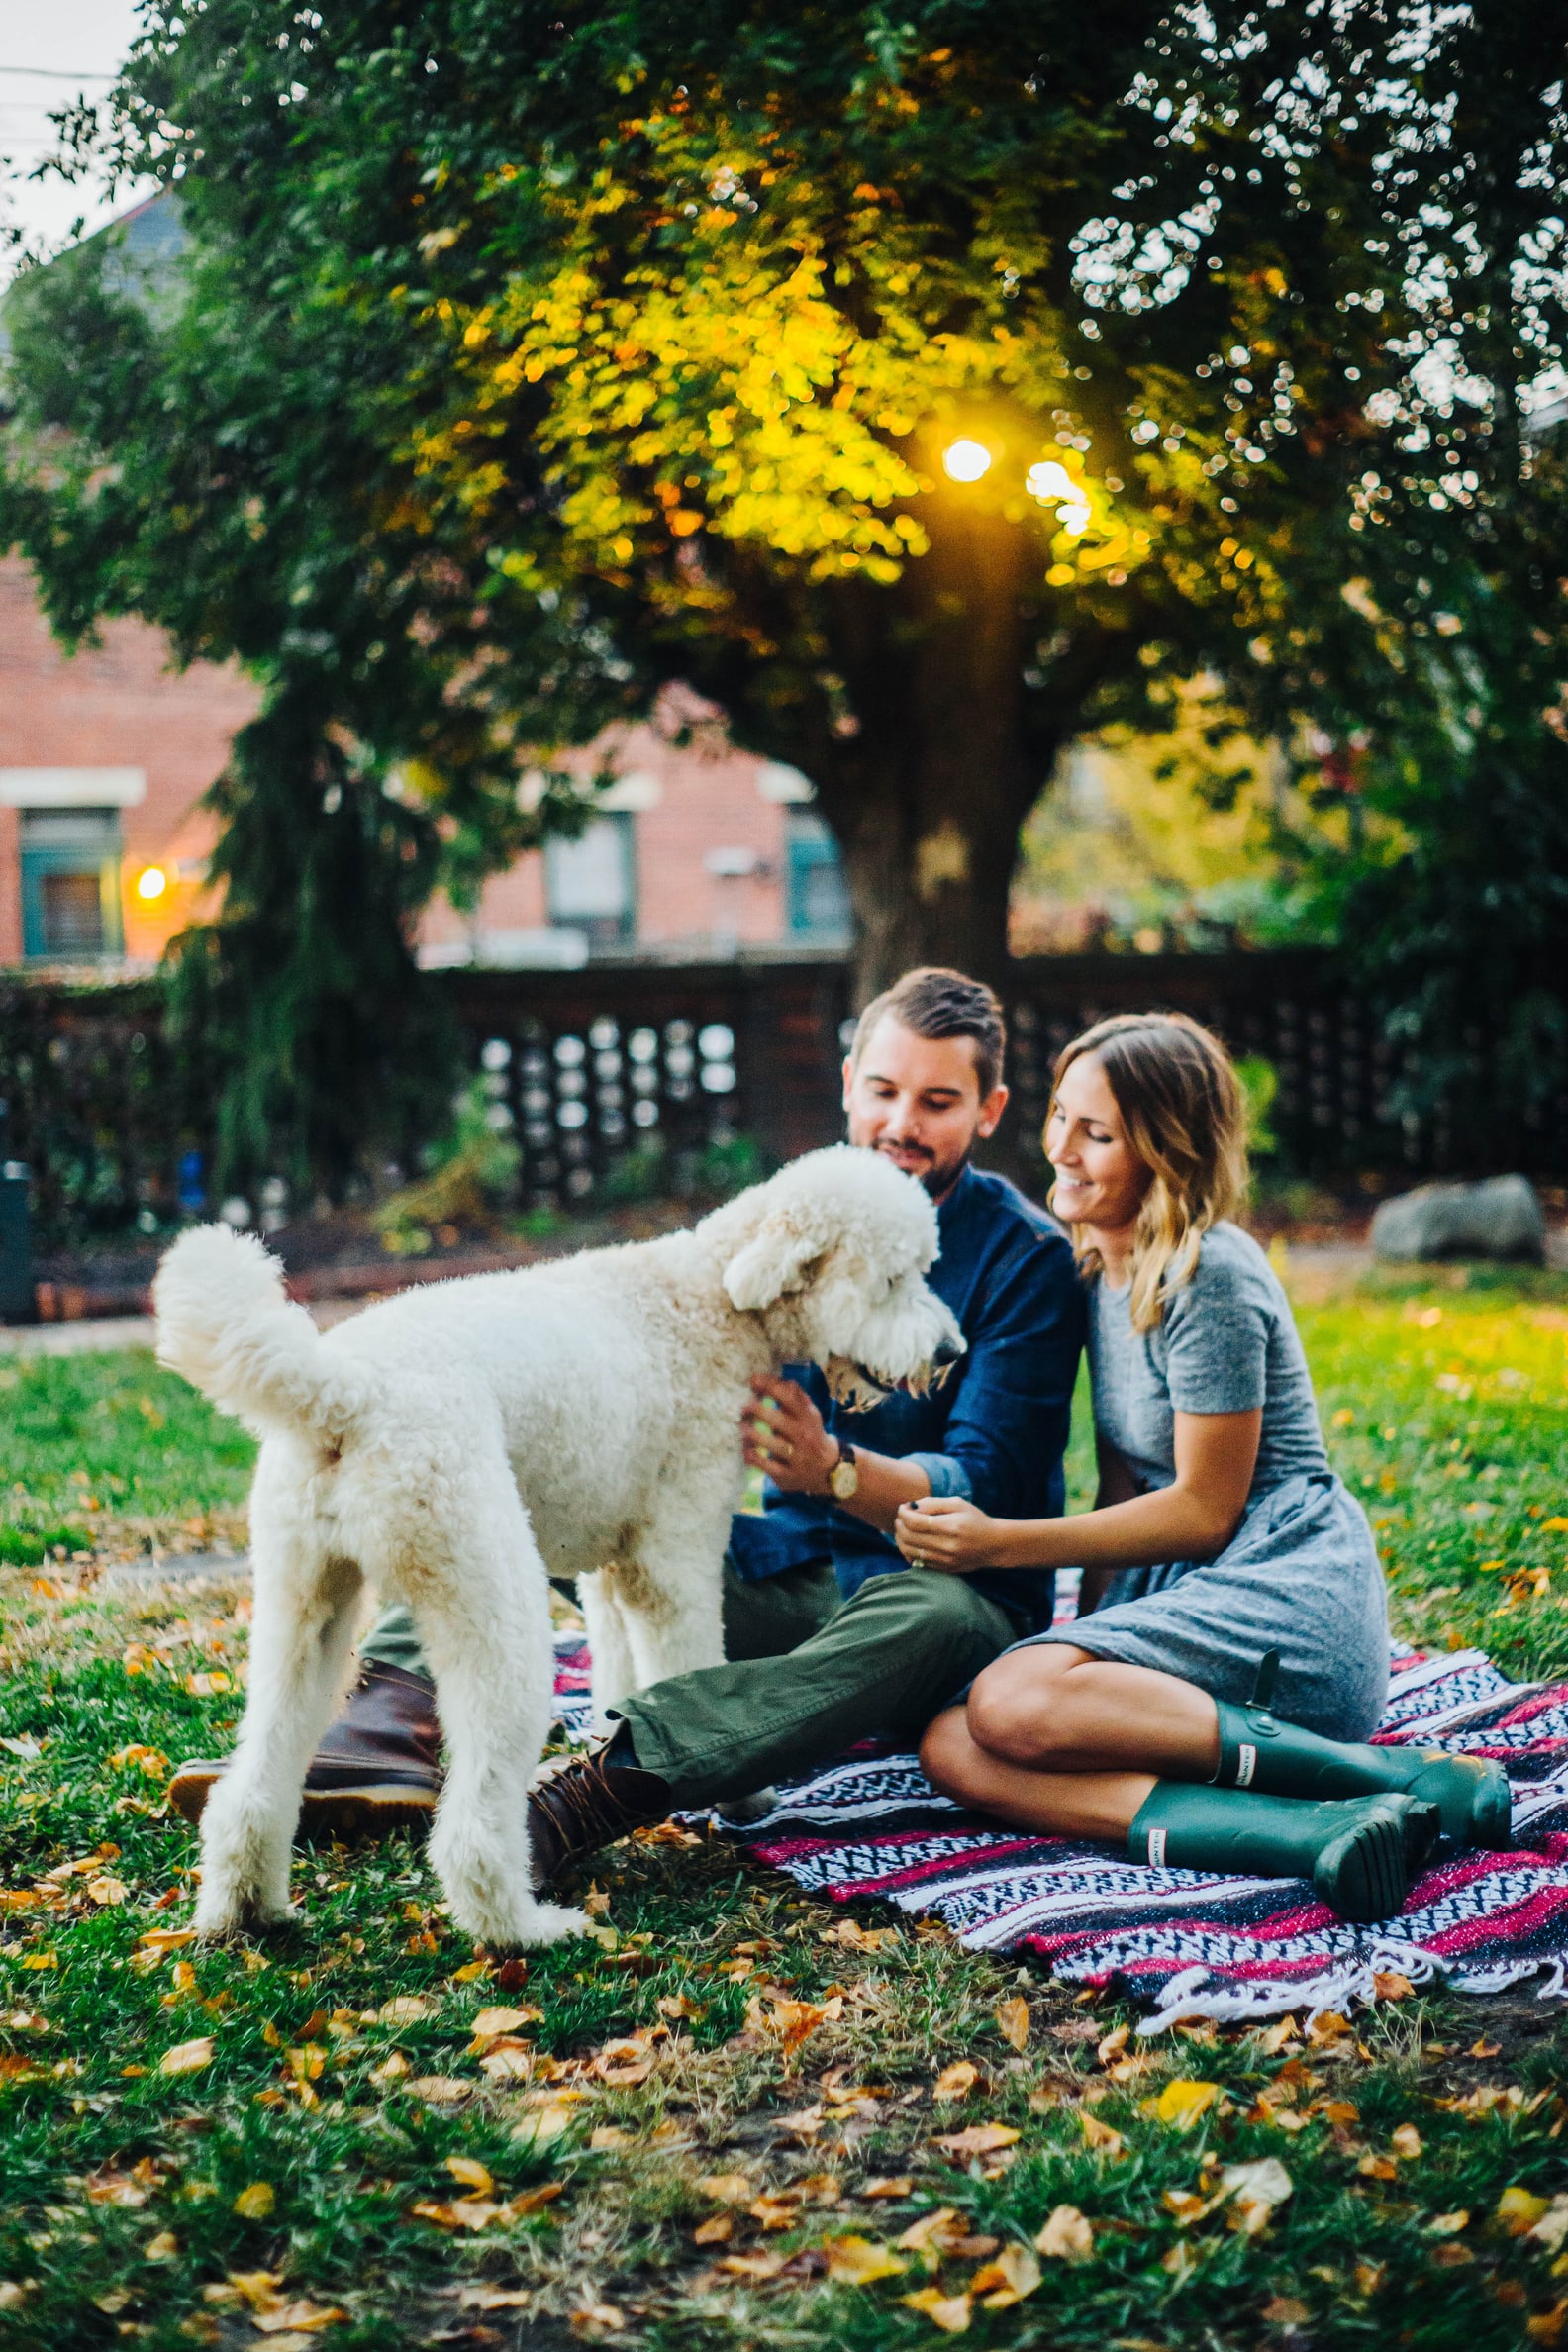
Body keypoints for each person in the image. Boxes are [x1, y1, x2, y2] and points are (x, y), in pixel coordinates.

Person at [169, 967, 1086, 1871]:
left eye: (937, 1101)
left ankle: (621, 1773)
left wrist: (838, 1470)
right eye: (884, 1091)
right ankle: (385, 1716)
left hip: (933, 1583)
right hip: (791, 1567)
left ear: (989, 1110)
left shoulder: (1026, 1260)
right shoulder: (807, 1213)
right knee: (525, 1494)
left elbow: (993, 1481)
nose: (901, 1125)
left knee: (926, 1620)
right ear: (850, 1083)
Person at [901, 1013, 1511, 1924]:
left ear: (1165, 1150)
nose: (1061, 1148)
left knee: (1013, 1699)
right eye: (1060, 1117)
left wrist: (999, 1547)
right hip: (1194, 1600)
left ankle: (1396, 1773)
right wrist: (1092, 1648)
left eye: (1096, 1133)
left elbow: (1203, 1510)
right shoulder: (1102, 1270)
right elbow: (1120, 1485)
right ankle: (1323, 1835)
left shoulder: (1207, 1273)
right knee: (959, 1741)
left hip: (1285, 1589)